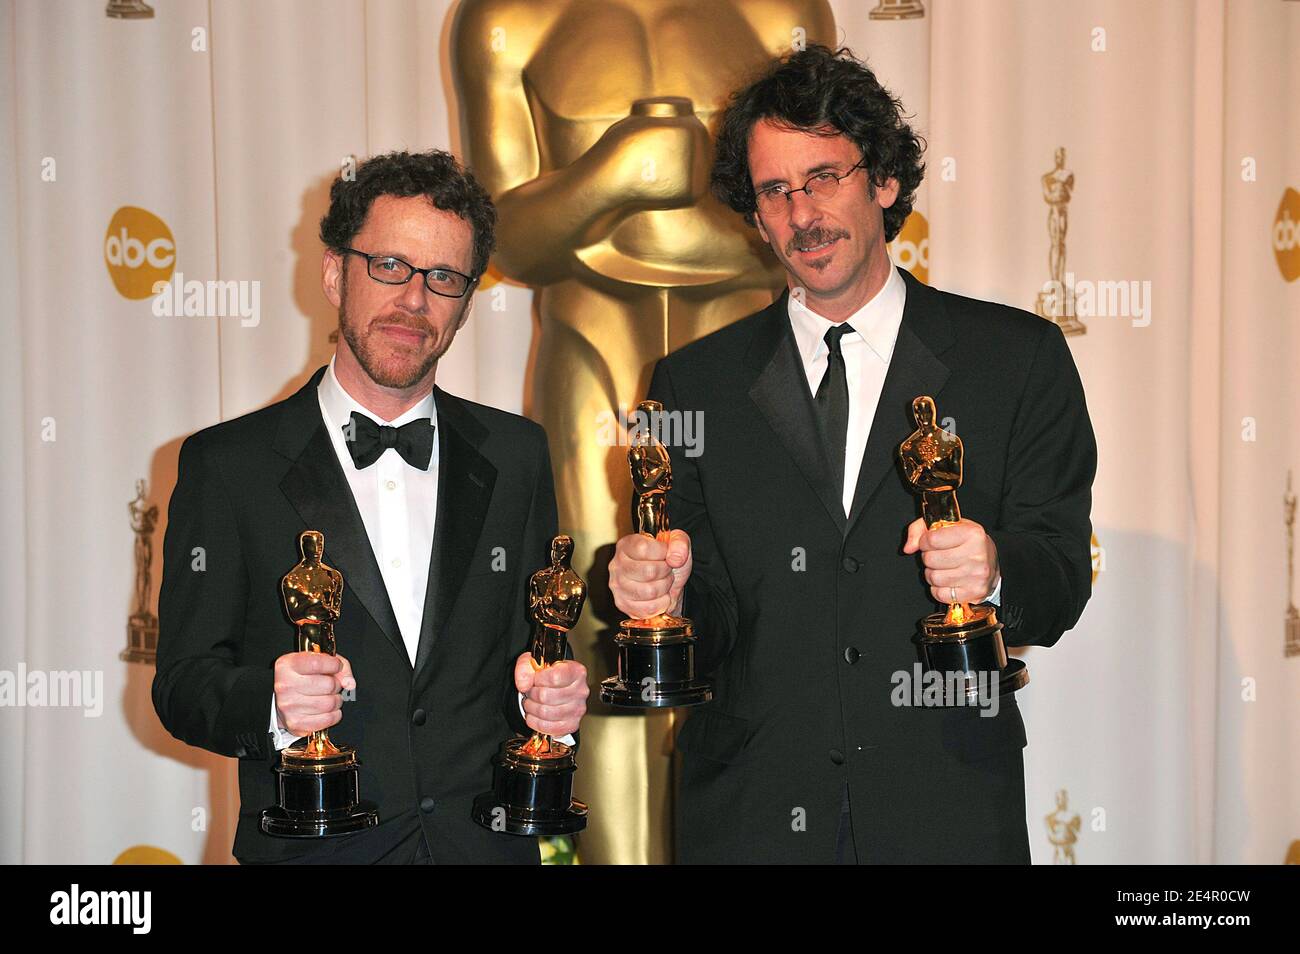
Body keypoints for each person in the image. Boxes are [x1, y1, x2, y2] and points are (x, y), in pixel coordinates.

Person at [608, 46, 1097, 863]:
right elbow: (711, 620)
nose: (802, 213)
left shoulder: (1016, 359)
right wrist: (660, 594)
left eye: (825, 176)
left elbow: (1060, 575)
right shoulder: (692, 382)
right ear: (755, 213)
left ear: (885, 182)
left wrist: (994, 570)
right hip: (749, 820)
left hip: (944, 813)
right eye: (775, 190)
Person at [153, 150, 588, 864]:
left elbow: (538, 649)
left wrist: (559, 708)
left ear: (467, 301)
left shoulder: (518, 456)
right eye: (389, 266)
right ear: (334, 273)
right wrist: (271, 703)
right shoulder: (227, 465)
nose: (414, 301)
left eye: (443, 278)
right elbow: (182, 685)